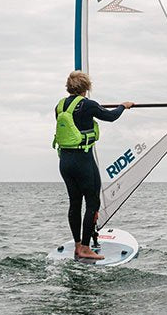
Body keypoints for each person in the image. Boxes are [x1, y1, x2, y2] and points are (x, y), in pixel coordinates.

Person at [54, 70, 133, 260]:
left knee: (75, 203)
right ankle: (85, 248)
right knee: (92, 203)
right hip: (83, 161)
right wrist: (123, 106)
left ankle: (77, 245)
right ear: (86, 87)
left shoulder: (60, 106)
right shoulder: (88, 104)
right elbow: (111, 116)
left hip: (65, 161)